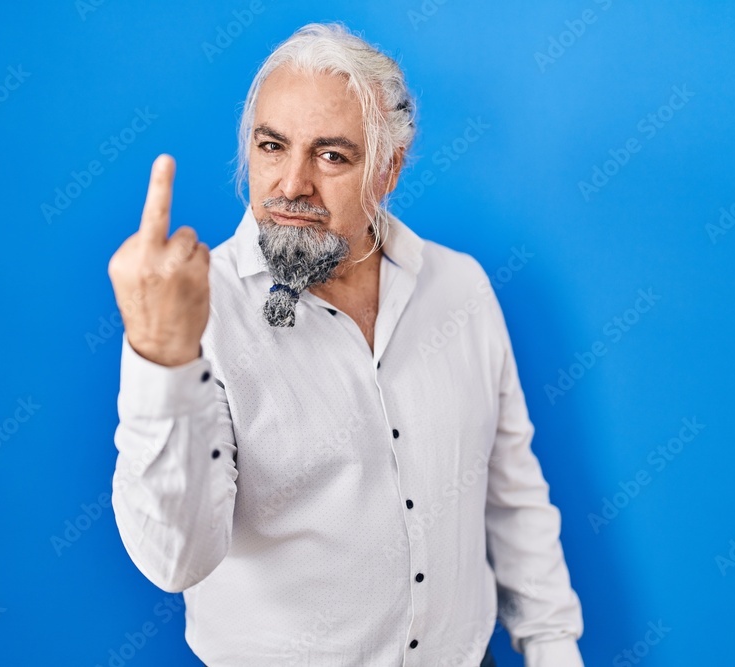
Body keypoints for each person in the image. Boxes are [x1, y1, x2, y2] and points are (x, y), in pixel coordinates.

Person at [107, 22, 584, 667]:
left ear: (386, 169)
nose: (291, 184)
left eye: (331, 156)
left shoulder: (460, 288)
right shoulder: (198, 312)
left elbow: (512, 490)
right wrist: (162, 356)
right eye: (272, 146)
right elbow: (175, 559)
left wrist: (554, 649)